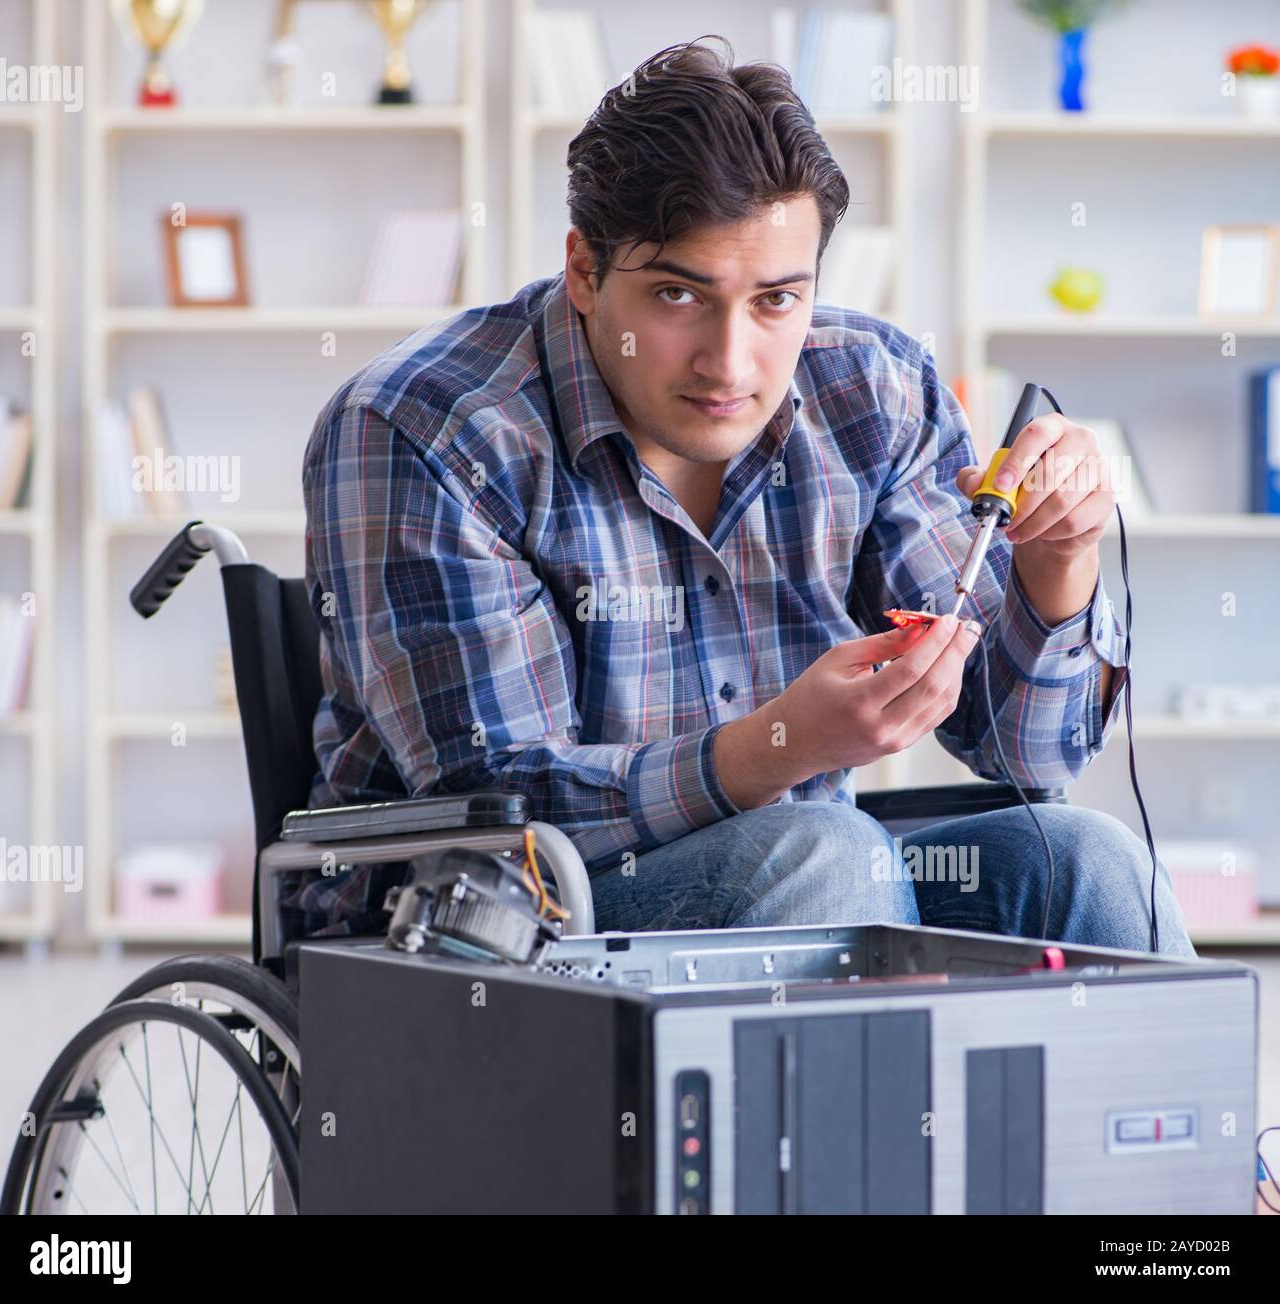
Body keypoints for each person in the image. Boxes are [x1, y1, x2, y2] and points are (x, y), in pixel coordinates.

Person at [296, 37, 1193, 956]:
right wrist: (778, 746)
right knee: (829, 857)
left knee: (1089, 861)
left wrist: (1057, 567)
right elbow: (492, 806)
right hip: (485, 922)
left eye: (776, 301)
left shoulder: (873, 391)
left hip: (807, 877)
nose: (730, 363)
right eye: (679, 296)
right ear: (583, 270)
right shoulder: (426, 428)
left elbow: (1028, 759)